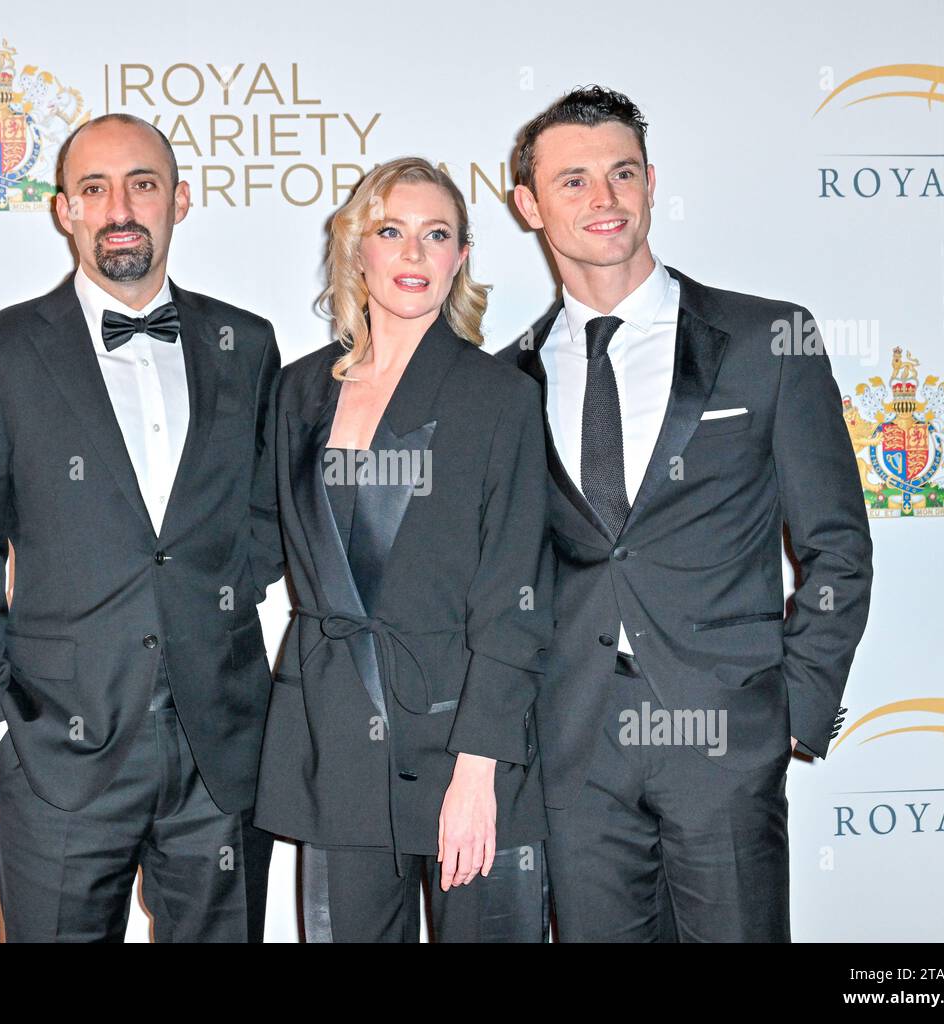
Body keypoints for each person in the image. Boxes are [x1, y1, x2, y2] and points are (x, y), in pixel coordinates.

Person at [498, 86, 873, 942]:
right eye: (575, 181)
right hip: (573, 744)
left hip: (725, 739)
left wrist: (788, 715)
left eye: (622, 173)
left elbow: (838, 547)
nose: (605, 200)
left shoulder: (768, 338)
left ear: (652, 182)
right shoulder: (506, 379)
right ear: (528, 205)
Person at [0, 113, 282, 942]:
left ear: (180, 202)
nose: (120, 206)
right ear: (65, 210)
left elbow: (267, 514)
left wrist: (215, 596)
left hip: (221, 754)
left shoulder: (247, 343)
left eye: (143, 184)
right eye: (95, 188)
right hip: (55, 757)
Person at [254, 157, 553, 942]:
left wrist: (479, 771)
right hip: (338, 737)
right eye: (392, 232)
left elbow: (515, 594)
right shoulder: (299, 391)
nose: (414, 254)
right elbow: (254, 542)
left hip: (466, 739)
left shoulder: (501, 396)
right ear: (358, 250)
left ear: (461, 257)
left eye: (437, 235)